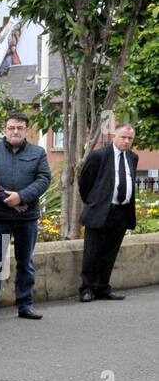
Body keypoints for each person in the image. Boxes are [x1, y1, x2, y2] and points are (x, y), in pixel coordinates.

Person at [0, 112, 52, 320]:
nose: (15, 131)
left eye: (20, 128)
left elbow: (44, 179)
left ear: (26, 131)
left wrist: (22, 197)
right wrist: (7, 199)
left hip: (27, 217)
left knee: (25, 262)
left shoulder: (38, 153)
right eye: (11, 127)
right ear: (5, 129)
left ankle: (25, 305)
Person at [77, 122, 137, 302]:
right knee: (92, 252)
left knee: (110, 253)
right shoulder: (99, 156)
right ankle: (87, 288)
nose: (126, 141)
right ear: (114, 137)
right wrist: (95, 202)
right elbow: (84, 183)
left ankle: (103, 287)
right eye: (123, 137)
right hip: (100, 211)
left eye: (130, 138)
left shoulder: (133, 157)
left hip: (122, 213)